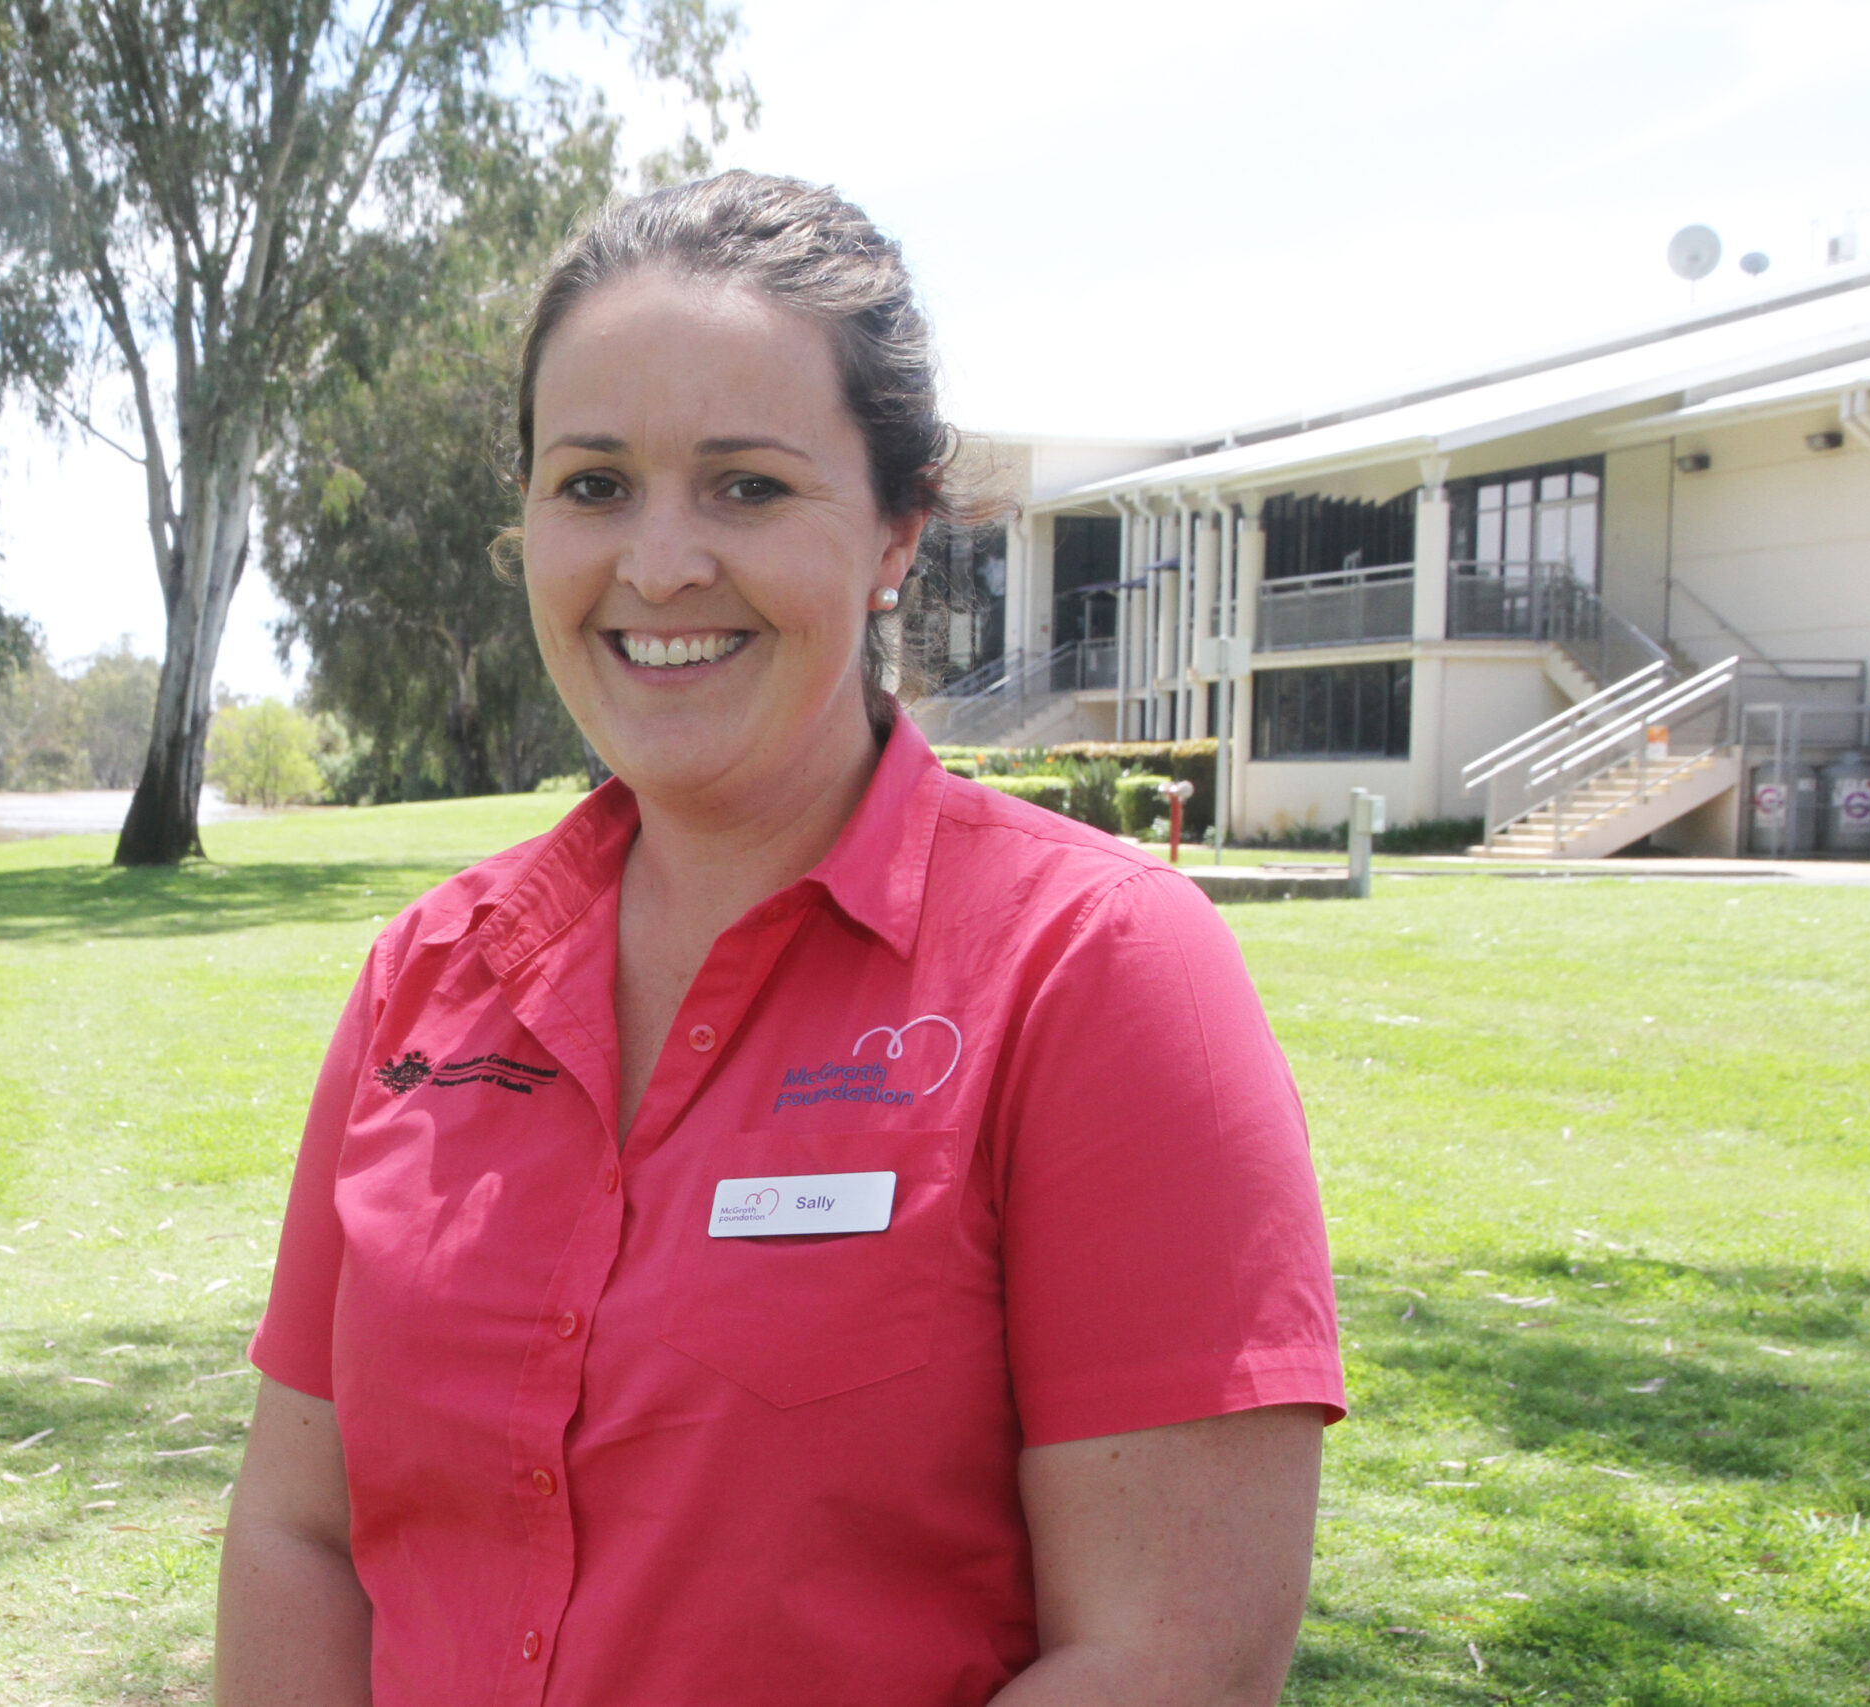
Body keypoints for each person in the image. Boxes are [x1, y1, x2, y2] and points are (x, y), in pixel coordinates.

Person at [215, 170, 1345, 1707]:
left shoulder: (1092, 968)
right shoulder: (426, 976)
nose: (659, 564)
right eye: (593, 485)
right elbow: (299, 1531)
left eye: (746, 487)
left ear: (896, 533)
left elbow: (1169, 1657)